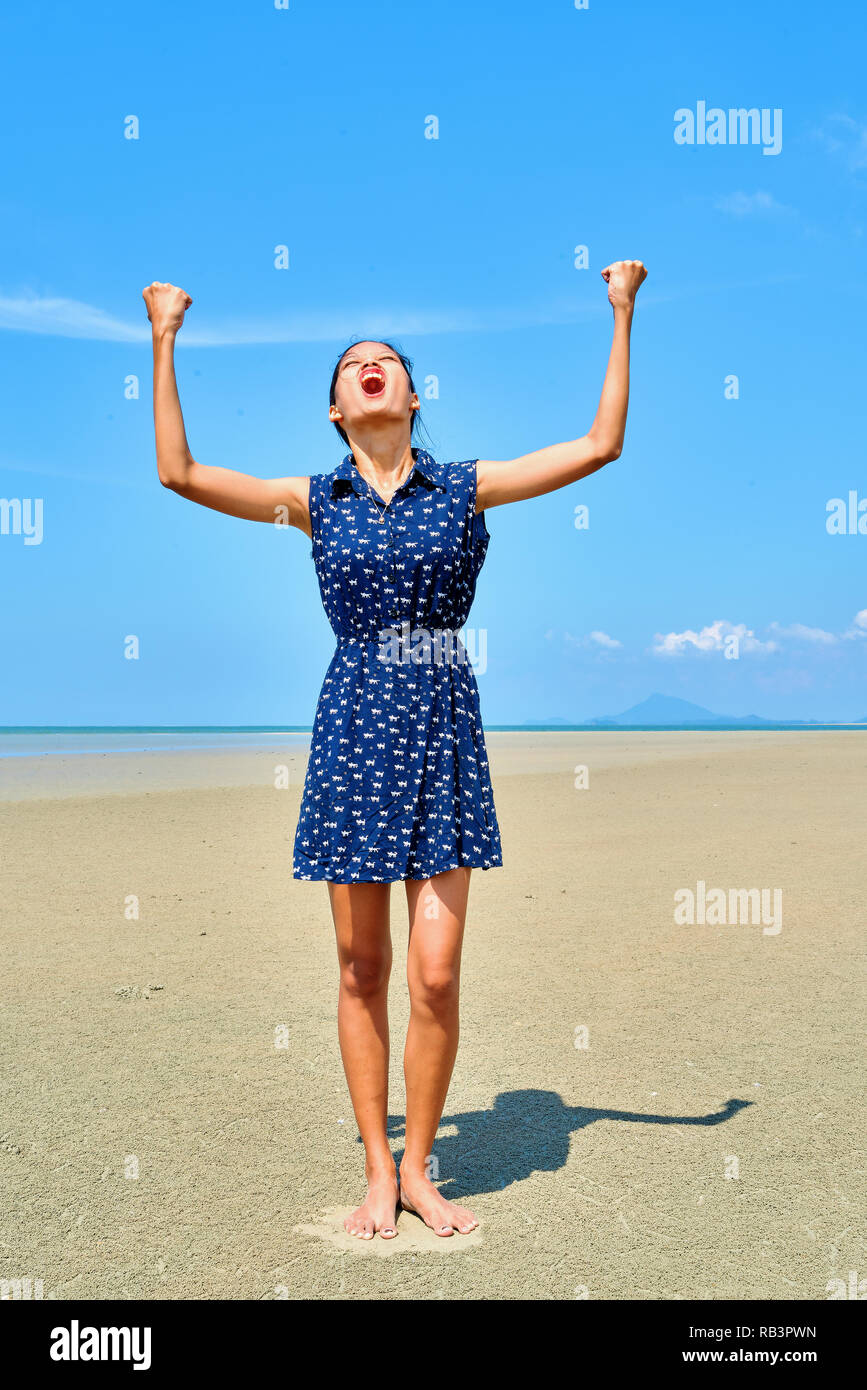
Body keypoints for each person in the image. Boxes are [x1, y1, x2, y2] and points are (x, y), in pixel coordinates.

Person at [142, 258, 647, 1239]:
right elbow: (181, 473)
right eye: (352, 364)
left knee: (437, 974)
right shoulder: (313, 497)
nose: (370, 367)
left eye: (388, 362)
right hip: (356, 715)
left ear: (413, 397)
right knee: (361, 969)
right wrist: (164, 337)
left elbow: (599, 445)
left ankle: (421, 1168)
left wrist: (621, 312)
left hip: (443, 717)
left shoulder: (466, 487)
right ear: (336, 407)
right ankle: (379, 1166)